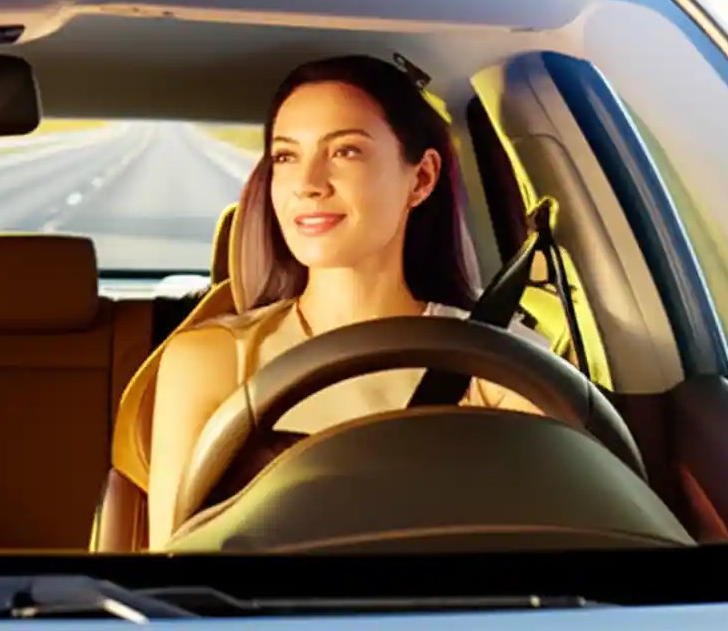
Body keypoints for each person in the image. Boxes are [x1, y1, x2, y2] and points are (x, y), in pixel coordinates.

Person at [146, 54, 557, 550]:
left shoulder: (497, 357)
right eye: (285, 157)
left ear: (422, 178)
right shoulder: (211, 359)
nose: (308, 184)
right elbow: (170, 567)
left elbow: (576, 536)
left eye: (346, 151)